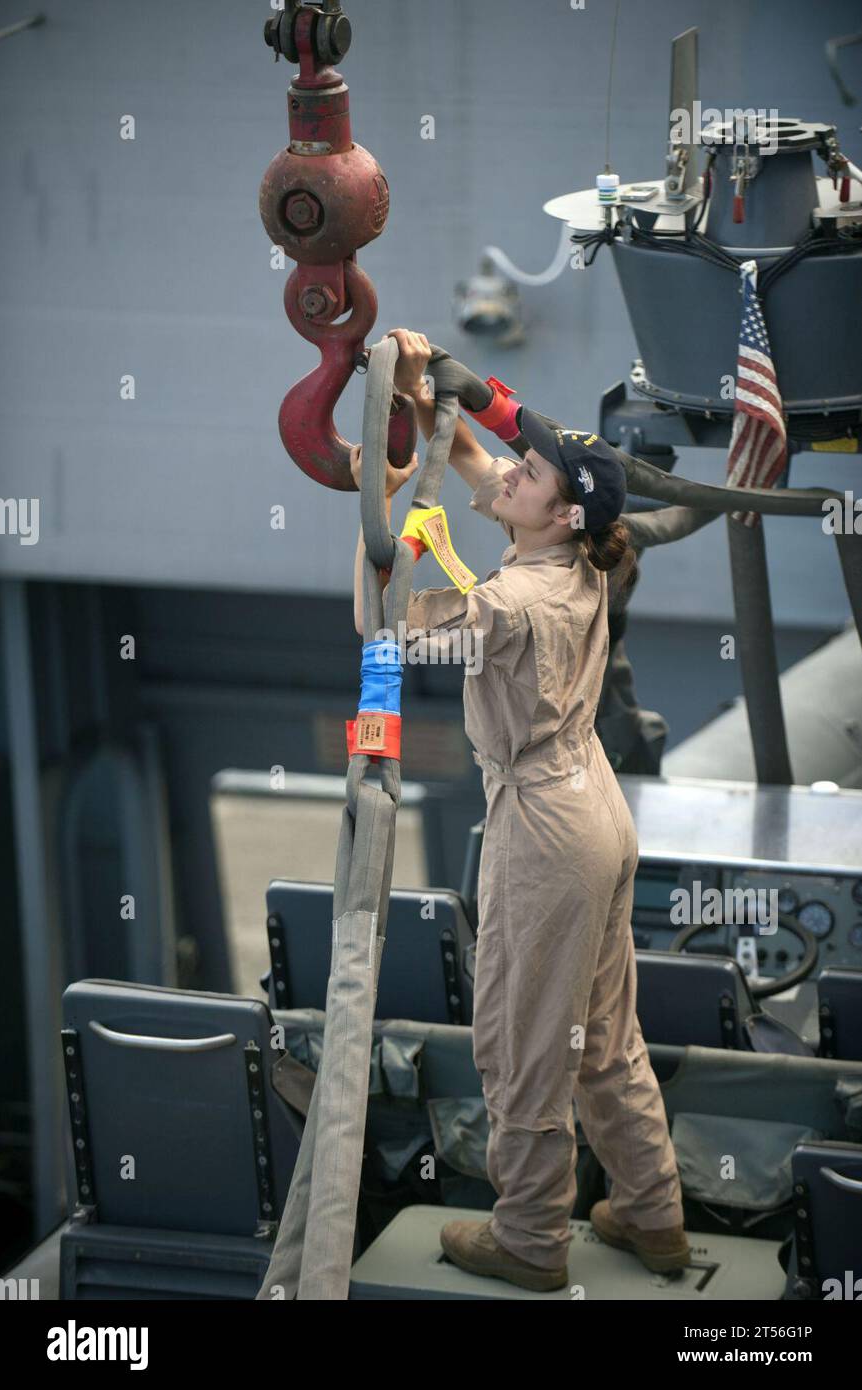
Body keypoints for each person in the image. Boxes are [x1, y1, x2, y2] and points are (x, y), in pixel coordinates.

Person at [351, 328, 690, 1295]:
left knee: (524, 1037)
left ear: (558, 510)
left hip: (542, 824)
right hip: (593, 809)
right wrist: (424, 401)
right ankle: (653, 1214)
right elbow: (478, 463)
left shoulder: (507, 603)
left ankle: (533, 1238)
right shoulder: (574, 562)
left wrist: (383, 512)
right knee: (602, 1032)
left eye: (528, 469)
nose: (509, 469)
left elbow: (385, 630)